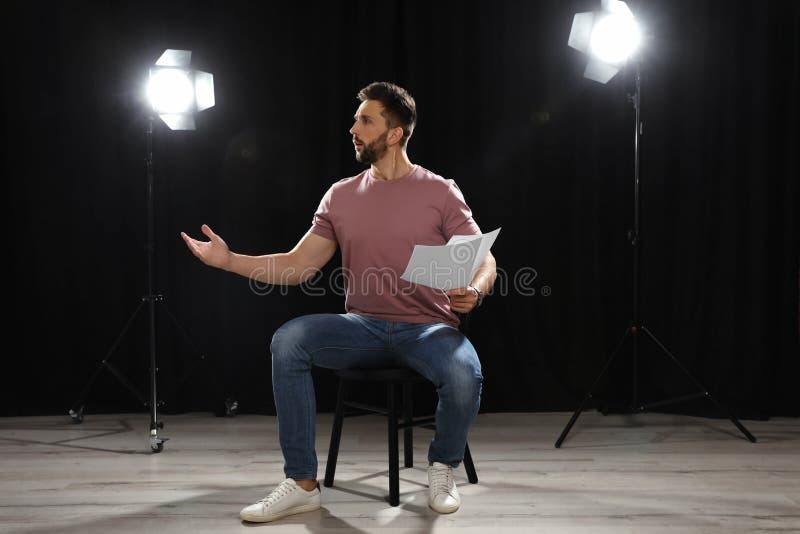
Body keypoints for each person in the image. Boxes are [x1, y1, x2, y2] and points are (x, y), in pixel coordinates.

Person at [181, 81, 497, 523]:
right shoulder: (342, 195)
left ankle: (442, 466)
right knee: (289, 341)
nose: (353, 128)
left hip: (429, 328)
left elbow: (485, 259)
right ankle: (302, 484)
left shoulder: (439, 192)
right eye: (355, 119)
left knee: (465, 373)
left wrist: (477, 289)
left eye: (365, 120)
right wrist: (230, 261)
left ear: (395, 133)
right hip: (363, 327)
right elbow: (298, 265)